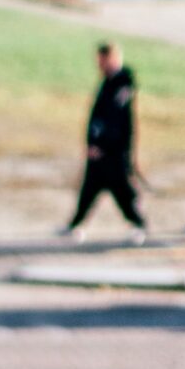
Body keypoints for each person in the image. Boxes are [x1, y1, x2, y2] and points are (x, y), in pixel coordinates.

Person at [64, 42, 146, 237]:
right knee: (90, 187)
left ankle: (138, 224)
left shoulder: (123, 83)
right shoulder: (108, 81)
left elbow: (115, 119)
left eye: (102, 61)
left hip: (113, 151)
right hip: (100, 150)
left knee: (121, 189)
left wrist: (102, 145)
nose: (99, 66)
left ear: (113, 58)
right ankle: (76, 223)